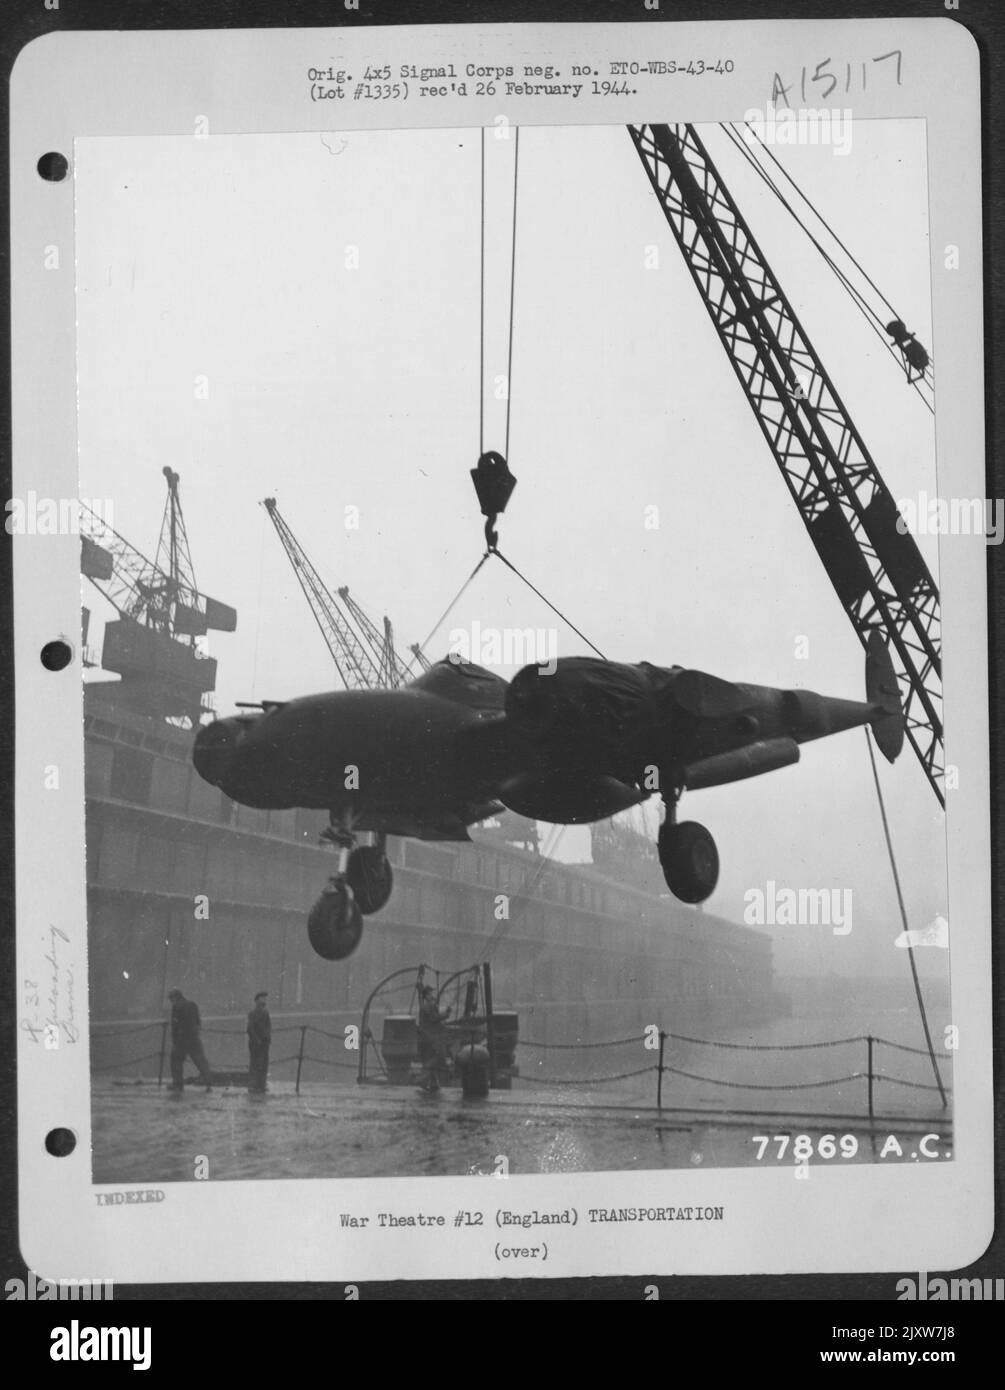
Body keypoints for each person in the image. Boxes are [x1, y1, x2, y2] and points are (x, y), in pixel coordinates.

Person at [166, 988, 212, 1091]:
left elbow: (175, 1025)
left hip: (181, 1039)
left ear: (175, 997)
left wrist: (174, 1039)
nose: (171, 1001)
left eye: (171, 999)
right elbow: (198, 1021)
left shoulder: (176, 1006)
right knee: (200, 1059)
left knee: (176, 1060)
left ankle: (178, 1084)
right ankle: (208, 1081)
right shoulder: (193, 1004)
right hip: (194, 1038)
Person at [416, 985, 451, 1093]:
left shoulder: (428, 1005)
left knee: (432, 1058)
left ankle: (434, 1084)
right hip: (430, 1038)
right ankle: (422, 1080)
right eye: (430, 993)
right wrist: (446, 1014)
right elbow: (434, 1018)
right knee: (439, 1057)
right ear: (426, 995)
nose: (432, 995)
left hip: (427, 1037)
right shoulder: (427, 1006)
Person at [247, 991, 272, 1093]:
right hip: (255, 1043)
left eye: (265, 998)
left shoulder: (266, 1012)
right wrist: (257, 1040)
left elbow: (268, 1026)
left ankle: (262, 1085)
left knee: (264, 1065)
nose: (264, 1000)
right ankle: (253, 1085)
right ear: (257, 1000)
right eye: (262, 998)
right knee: (255, 1064)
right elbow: (250, 1029)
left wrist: (267, 1037)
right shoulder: (252, 1013)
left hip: (264, 1043)